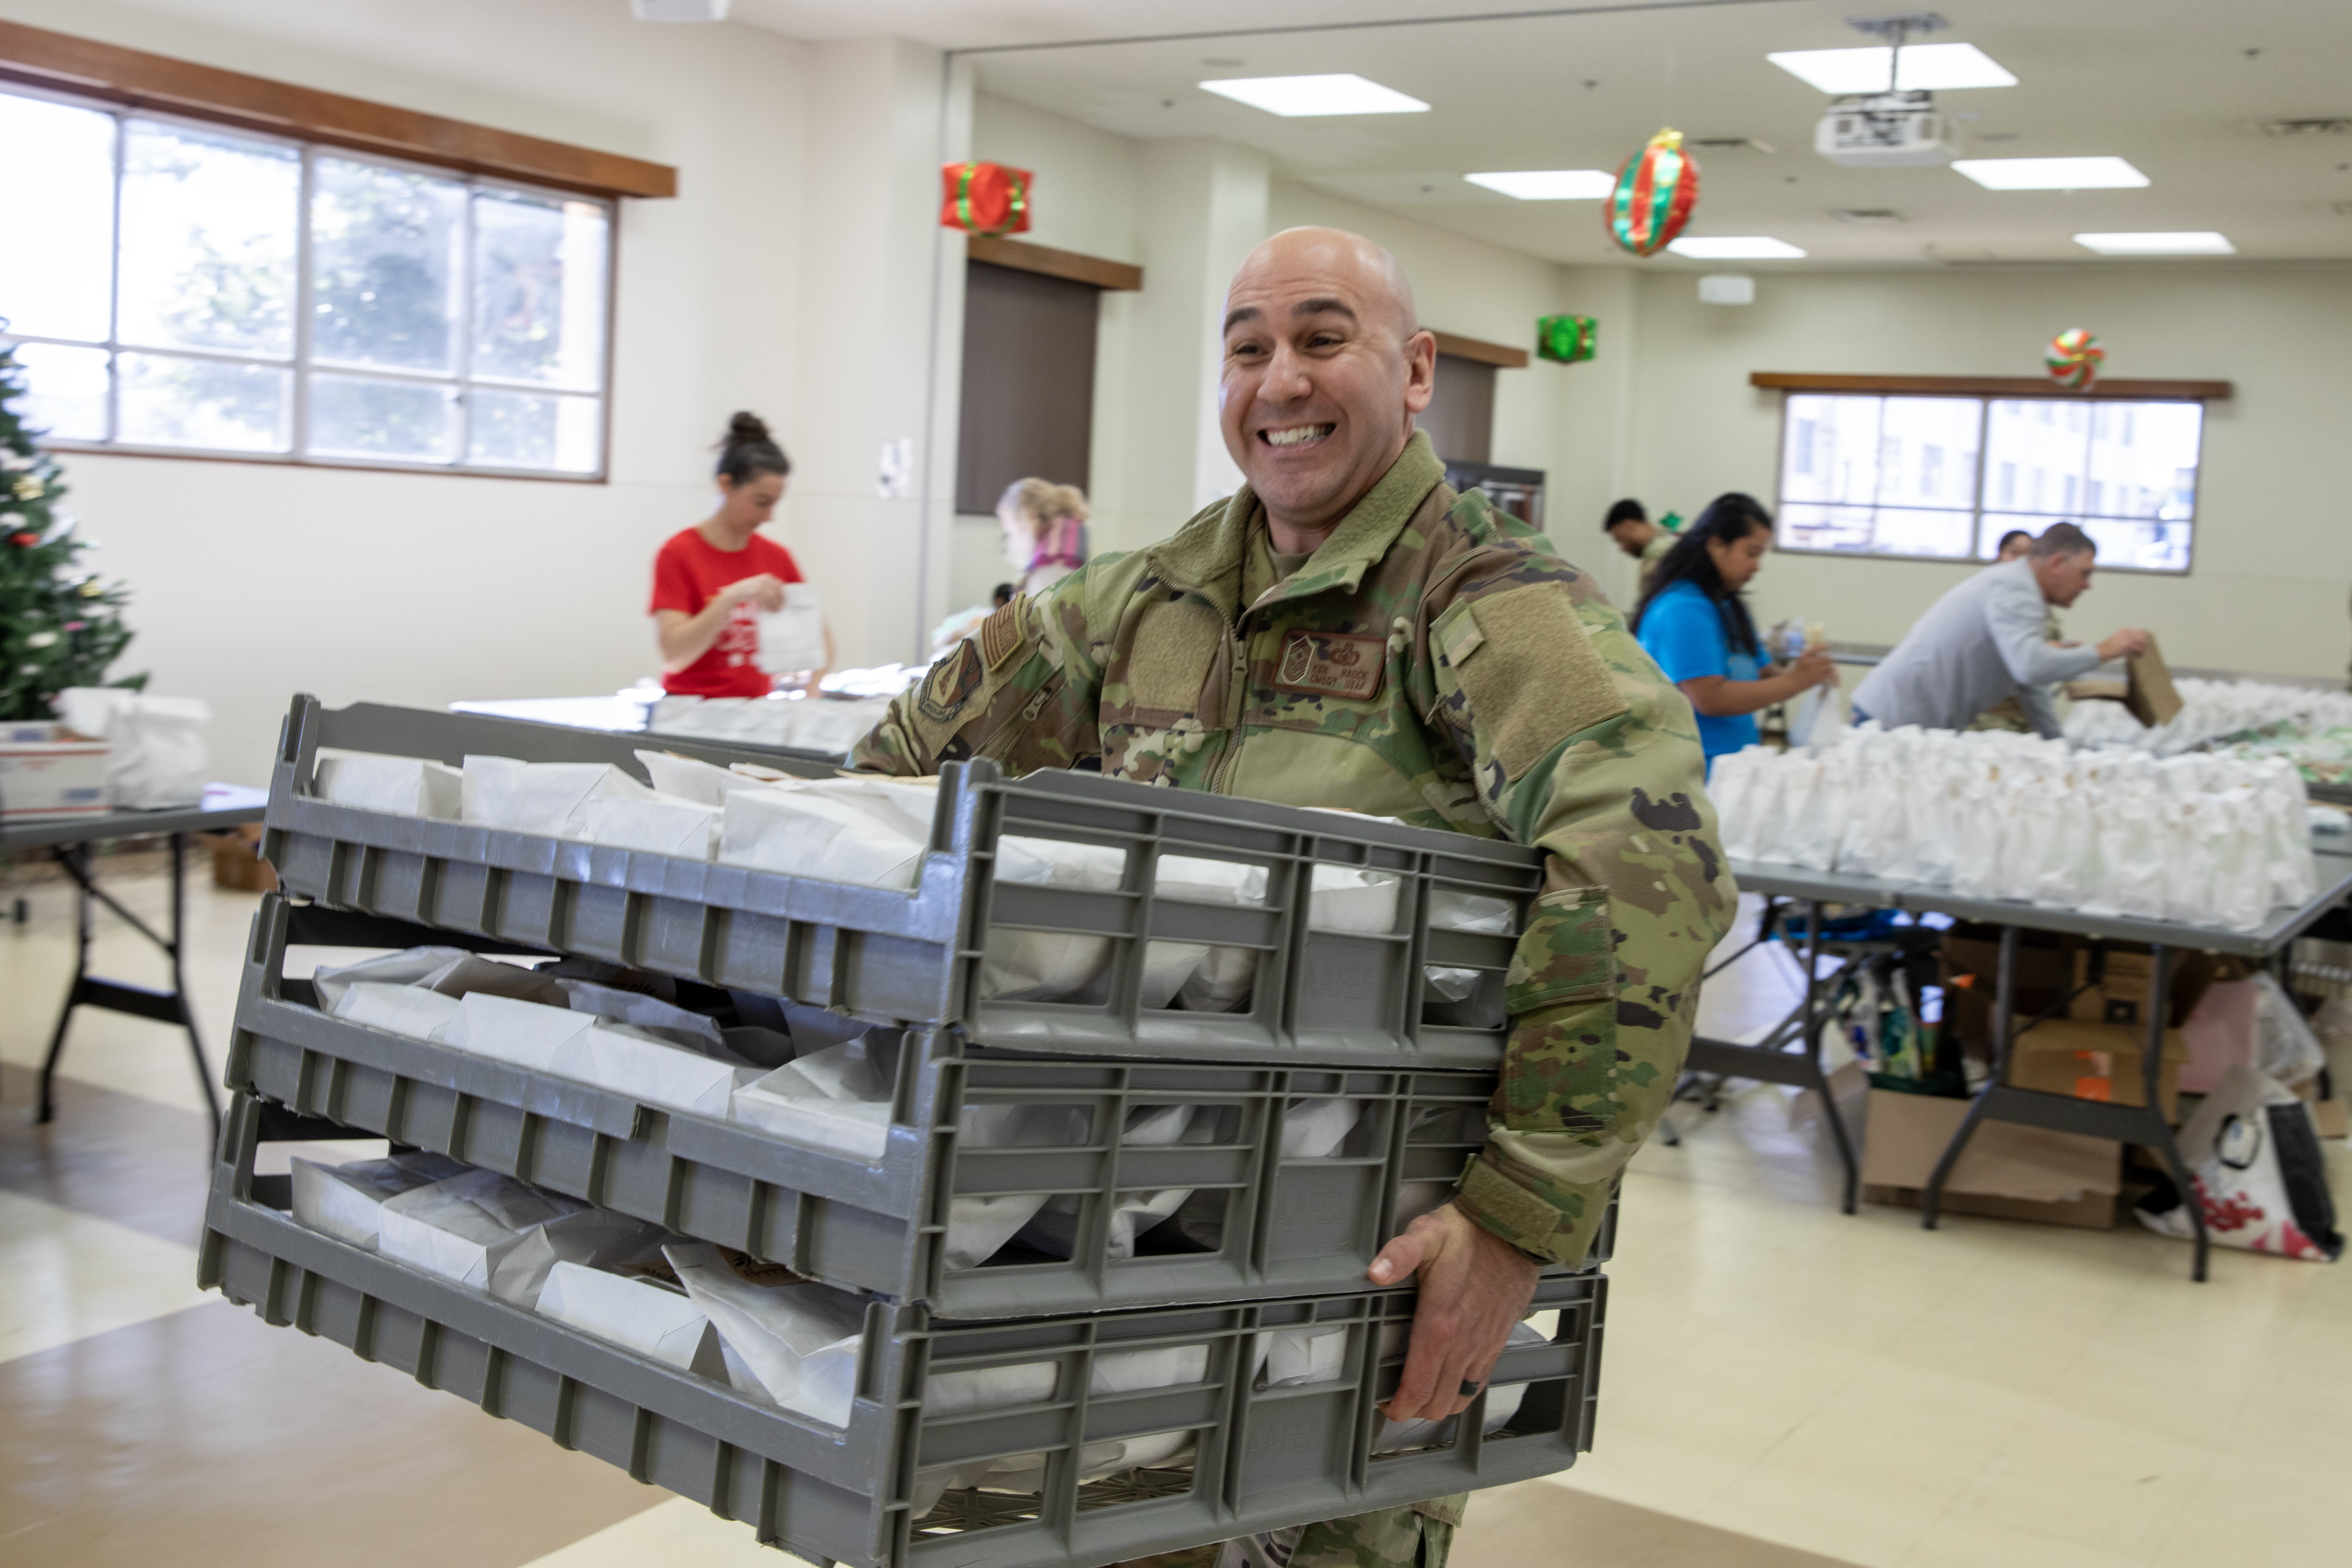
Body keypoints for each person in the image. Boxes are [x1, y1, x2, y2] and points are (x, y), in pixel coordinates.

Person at [852, 227, 1733, 1568]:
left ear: (1417, 367)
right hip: (1118, 1247)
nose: (1280, 382)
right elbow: (879, 789)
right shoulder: (1142, 603)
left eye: (1324, 340)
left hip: (1360, 1260)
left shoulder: (1494, 608)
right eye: (1247, 348)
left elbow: (1648, 871)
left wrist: (1516, 1219)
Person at [1852, 521, 2149, 738]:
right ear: (2057, 563)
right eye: (2085, 574)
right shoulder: (2014, 588)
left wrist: (2056, 746)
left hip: (1909, 726)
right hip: (1888, 725)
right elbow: (2030, 668)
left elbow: (2031, 687)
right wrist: (2104, 650)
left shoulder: (2025, 592)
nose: (2087, 585)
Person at [1631, 493, 1837, 771]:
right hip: (1690, 773)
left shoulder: (1727, 603)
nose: (1757, 566)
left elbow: (1762, 672)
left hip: (1732, 766)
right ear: (1716, 544)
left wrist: (1810, 672)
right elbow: (1710, 699)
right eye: (1751, 553)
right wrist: (1796, 682)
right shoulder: (1683, 609)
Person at [649, 412, 830, 696]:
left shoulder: (777, 557)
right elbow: (674, 657)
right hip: (689, 715)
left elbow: (821, 643)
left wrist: (811, 690)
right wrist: (730, 598)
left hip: (753, 716)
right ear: (725, 484)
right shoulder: (677, 554)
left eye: (775, 504)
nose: (769, 516)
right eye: (761, 503)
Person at [998, 477, 1090, 596]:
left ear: (1030, 520)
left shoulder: (1051, 570)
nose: (1011, 542)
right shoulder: (1065, 548)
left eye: (1011, 532)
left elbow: (1037, 613)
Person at [1603, 498, 1674, 593]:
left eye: (1619, 539)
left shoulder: (1657, 556)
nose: (1622, 548)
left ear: (1628, 526)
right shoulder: (1669, 544)